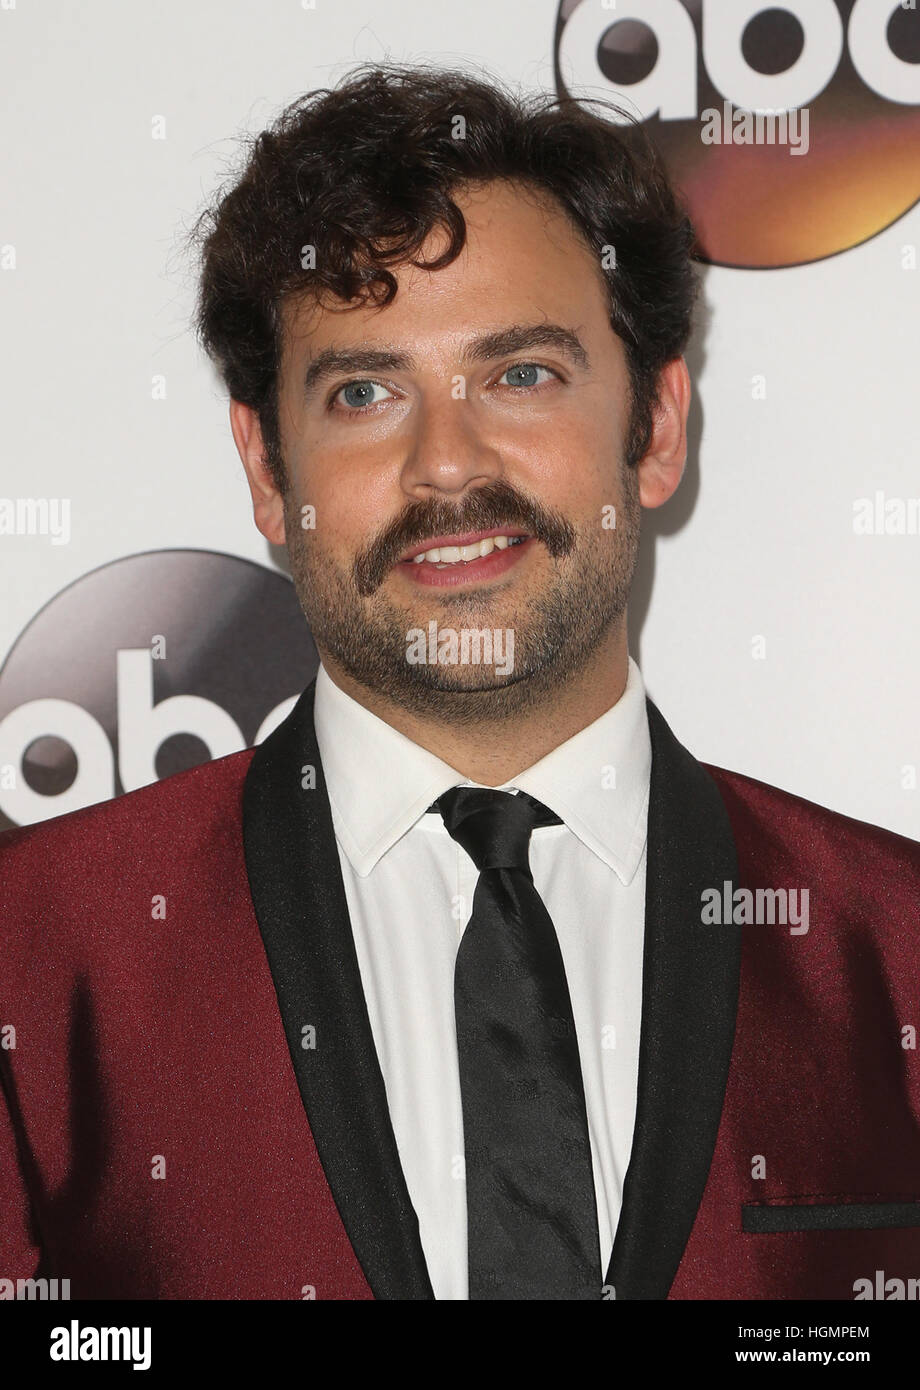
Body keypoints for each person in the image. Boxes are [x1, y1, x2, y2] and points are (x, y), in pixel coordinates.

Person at [1, 62, 918, 1303]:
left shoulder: (892, 944)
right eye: (366, 391)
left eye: (520, 374)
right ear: (268, 473)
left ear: (653, 427)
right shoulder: (38, 948)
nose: (447, 464)